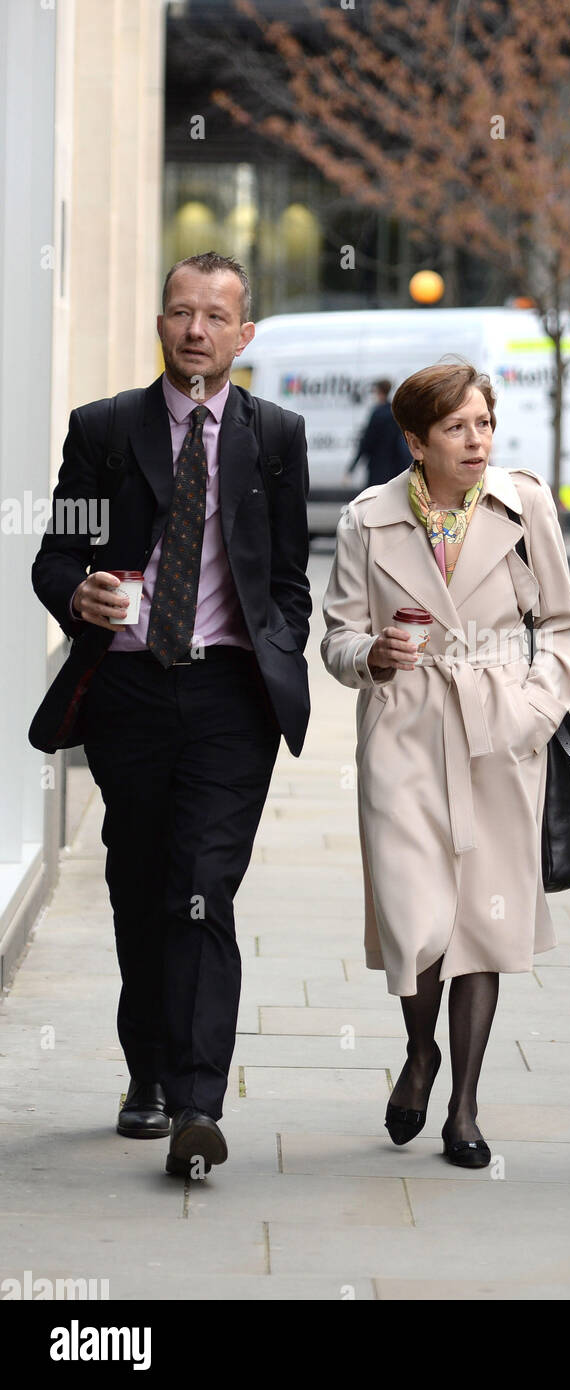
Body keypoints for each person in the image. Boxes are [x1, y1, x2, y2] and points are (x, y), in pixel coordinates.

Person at [31, 251, 311, 1178]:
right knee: (139, 882)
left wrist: (281, 647)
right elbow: (52, 560)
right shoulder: (105, 428)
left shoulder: (276, 435)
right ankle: (145, 1072)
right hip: (131, 692)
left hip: (233, 698)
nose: (196, 329)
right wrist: (83, 596)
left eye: (214, 316)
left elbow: (287, 580)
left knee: (203, 887)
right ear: (161, 323)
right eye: (180, 312)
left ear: (244, 334)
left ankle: (197, 1100)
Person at [321, 361, 570, 1168]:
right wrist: (374, 652)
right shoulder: (367, 519)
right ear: (415, 440)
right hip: (402, 731)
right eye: (456, 428)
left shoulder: (524, 502)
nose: (476, 441)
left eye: (484, 424)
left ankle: (463, 1105)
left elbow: (564, 624)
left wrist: (535, 712)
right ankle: (419, 1050)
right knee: (416, 919)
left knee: (483, 923)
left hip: (496, 732)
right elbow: (333, 640)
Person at [347, 379, 411, 488]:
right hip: (396, 466)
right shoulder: (395, 411)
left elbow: (367, 442)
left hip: (378, 466)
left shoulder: (377, 414)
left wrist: (352, 467)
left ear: (379, 392)